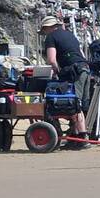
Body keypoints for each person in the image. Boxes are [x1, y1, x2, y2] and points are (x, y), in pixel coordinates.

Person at [40, 15, 90, 149]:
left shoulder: (51, 37)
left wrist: (56, 71)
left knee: (74, 103)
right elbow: (80, 53)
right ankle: (75, 135)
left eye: (44, 30)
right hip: (84, 68)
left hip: (74, 70)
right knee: (79, 103)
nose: (44, 33)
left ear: (48, 28)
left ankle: (82, 137)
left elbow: (51, 59)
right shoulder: (70, 35)